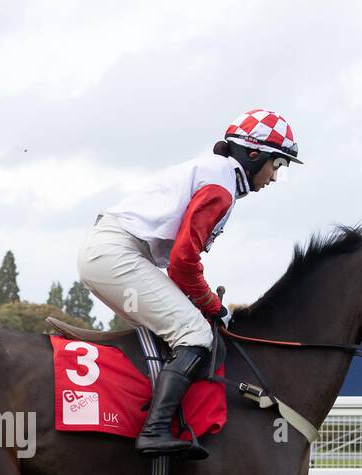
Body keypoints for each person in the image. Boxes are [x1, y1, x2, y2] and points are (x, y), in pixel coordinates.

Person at [77, 109, 302, 457]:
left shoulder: (217, 175)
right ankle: (154, 431)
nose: (274, 177)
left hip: (113, 253)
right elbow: (182, 263)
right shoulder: (221, 186)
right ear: (254, 154)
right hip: (117, 255)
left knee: (172, 334)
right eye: (278, 165)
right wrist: (213, 306)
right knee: (196, 334)